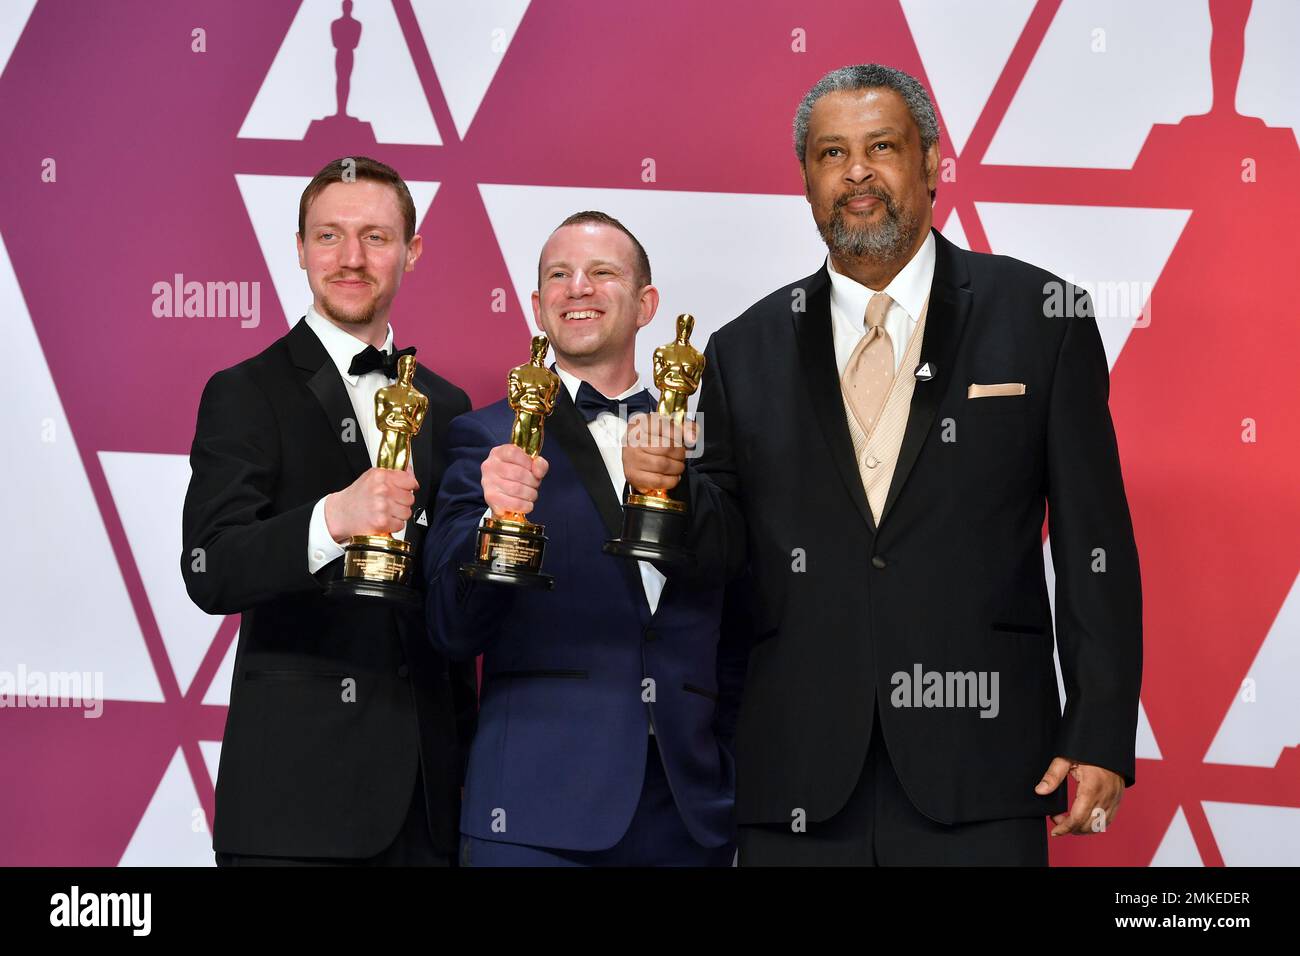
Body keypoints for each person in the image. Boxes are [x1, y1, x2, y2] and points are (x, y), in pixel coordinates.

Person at [624, 64, 1142, 865]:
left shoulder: (1044, 319)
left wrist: (1102, 729)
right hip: (794, 773)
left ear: (933, 164)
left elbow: (1093, 545)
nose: (856, 171)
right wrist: (663, 496)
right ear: (805, 180)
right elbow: (722, 555)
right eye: (831, 153)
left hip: (983, 764)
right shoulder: (741, 349)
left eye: (882, 146)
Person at [425, 211, 745, 866]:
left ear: (646, 304)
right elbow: (451, 627)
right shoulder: (487, 439)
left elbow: (739, 592)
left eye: (603, 273)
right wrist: (496, 526)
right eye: (559, 276)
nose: (579, 288)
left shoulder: (706, 439)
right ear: (537, 306)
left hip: (688, 814)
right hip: (535, 815)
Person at [181, 155, 475, 865]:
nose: (351, 258)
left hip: (433, 804)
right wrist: (331, 520)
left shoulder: (451, 406)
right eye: (329, 236)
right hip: (296, 805)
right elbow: (212, 567)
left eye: (376, 237)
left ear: (412, 250)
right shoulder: (245, 391)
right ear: (301, 249)